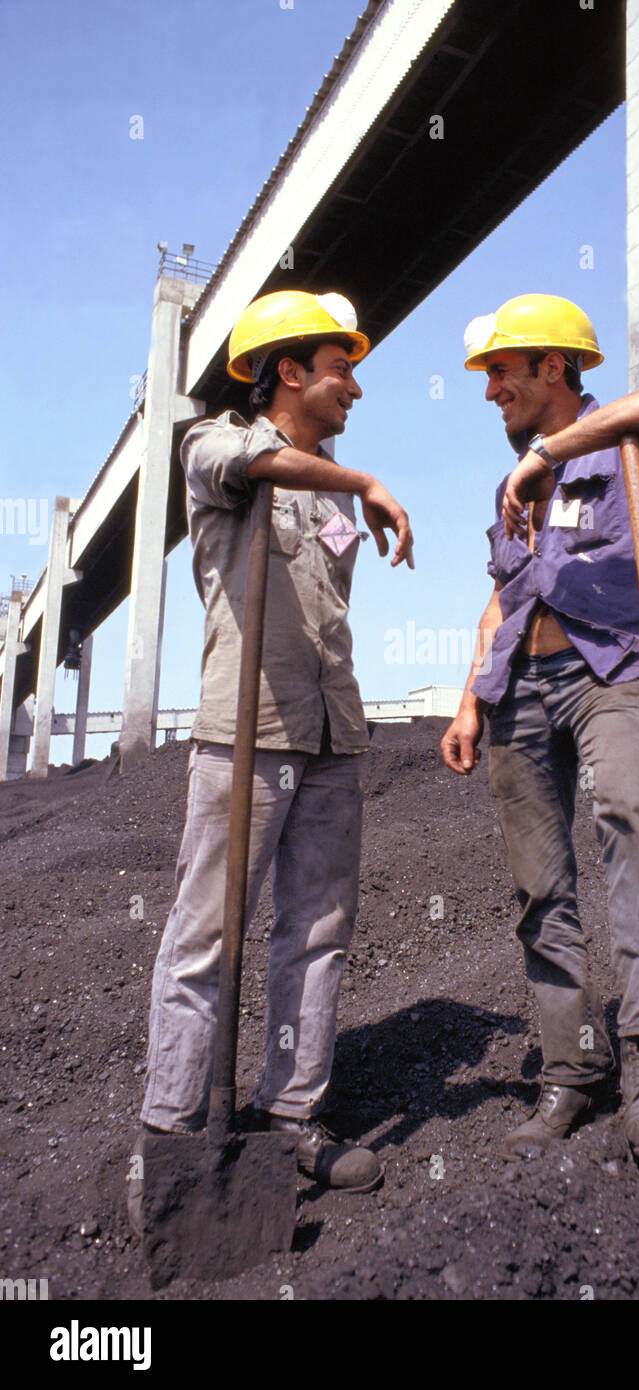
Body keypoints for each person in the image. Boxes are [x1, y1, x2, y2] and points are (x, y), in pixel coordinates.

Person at [132, 290, 413, 1221]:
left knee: (318, 931)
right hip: (245, 731)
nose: (355, 389)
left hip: (333, 733)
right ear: (290, 371)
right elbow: (246, 459)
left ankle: (291, 1115)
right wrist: (362, 483)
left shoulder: (325, 479)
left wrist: (345, 488)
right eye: (343, 369)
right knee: (206, 934)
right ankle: (173, 1141)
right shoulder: (213, 444)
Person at [440, 293, 639, 1160]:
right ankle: (568, 1071)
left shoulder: (623, 436)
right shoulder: (513, 480)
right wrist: (470, 696)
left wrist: (547, 453)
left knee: (631, 821)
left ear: (555, 366)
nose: (489, 393)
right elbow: (503, 591)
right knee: (538, 883)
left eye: (501, 373)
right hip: (517, 682)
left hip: (614, 668)